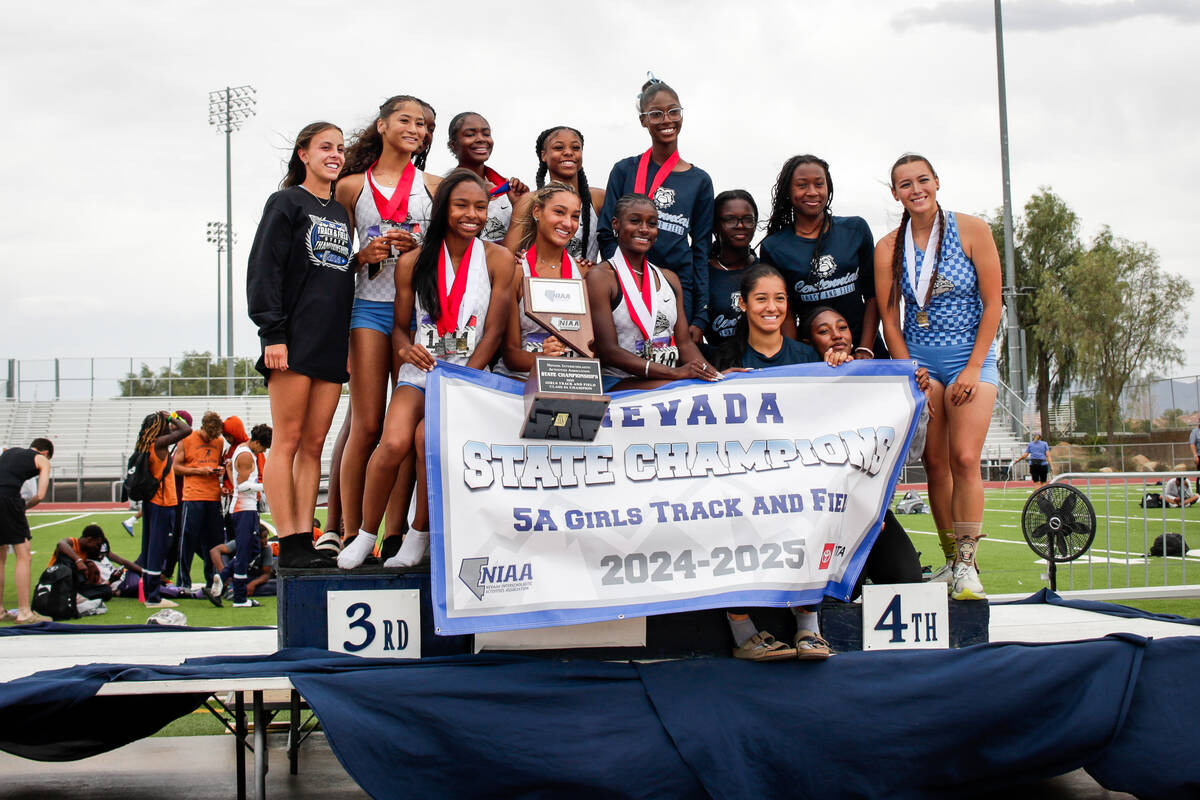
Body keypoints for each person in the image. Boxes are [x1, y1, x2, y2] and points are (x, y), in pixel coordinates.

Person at [338, 170, 514, 569]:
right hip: (420, 374)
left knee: (427, 442)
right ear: (442, 210)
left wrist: (466, 377)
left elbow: (495, 333)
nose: (472, 214)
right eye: (461, 205)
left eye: (481, 207)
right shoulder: (414, 261)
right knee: (394, 442)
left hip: (467, 377)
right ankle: (366, 534)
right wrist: (405, 349)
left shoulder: (498, 259)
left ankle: (418, 537)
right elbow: (400, 329)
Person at [874, 153, 1002, 601]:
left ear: (937, 183)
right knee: (933, 463)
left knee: (965, 458)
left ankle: (968, 565)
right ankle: (950, 561)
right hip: (922, 363)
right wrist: (912, 370)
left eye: (922, 180)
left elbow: (994, 305)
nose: (915, 190)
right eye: (905, 184)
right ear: (895, 194)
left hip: (971, 360)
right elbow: (891, 319)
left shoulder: (973, 229)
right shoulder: (888, 246)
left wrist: (971, 366)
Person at [335, 95, 442, 562]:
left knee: (408, 425)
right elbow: (330, 259)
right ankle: (347, 530)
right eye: (405, 120)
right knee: (368, 424)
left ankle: (394, 532)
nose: (415, 128)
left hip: (417, 316)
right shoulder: (350, 187)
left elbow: (446, 249)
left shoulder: (433, 187)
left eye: (421, 123)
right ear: (381, 125)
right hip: (368, 309)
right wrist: (363, 256)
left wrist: (416, 243)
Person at [247, 121, 354, 569]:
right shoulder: (287, 202)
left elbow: (336, 276)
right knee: (286, 441)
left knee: (313, 444)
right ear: (303, 154)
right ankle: (288, 539)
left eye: (340, 148)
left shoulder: (341, 214)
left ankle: (305, 536)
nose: (334, 154)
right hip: (292, 340)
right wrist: (272, 333)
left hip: (330, 343)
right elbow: (264, 268)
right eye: (325, 147)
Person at [598, 76, 714, 339]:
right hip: (628, 285)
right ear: (643, 120)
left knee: (675, 359)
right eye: (656, 114)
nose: (667, 120)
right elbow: (606, 232)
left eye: (674, 111)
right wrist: (626, 276)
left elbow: (701, 249)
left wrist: (701, 313)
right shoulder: (624, 170)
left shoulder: (700, 181)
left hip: (678, 289)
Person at [587, 194, 723, 391]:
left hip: (668, 381)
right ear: (615, 224)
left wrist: (714, 377)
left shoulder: (669, 278)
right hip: (620, 383)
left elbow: (684, 344)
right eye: (635, 221)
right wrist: (675, 373)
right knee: (686, 390)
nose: (644, 229)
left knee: (709, 390)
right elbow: (608, 351)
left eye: (651, 223)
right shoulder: (601, 277)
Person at [759, 155, 882, 359]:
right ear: (789, 191)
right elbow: (785, 312)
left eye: (819, 184)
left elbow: (873, 294)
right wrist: (796, 357)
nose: (812, 192)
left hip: (864, 348)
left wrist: (865, 348)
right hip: (813, 354)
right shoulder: (774, 247)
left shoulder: (855, 229)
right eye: (802, 185)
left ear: (828, 188)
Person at [497, 182, 585, 380]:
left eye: (575, 217)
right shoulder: (516, 272)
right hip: (520, 381)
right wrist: (543, 358)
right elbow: (510, 355)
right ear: (537, 211)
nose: (568, 223)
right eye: (559, 212)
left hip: (569, 383)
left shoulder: (584, 273)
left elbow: (592, 348)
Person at [504, 125, 605, 264]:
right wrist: (519, 260)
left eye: (576, 148)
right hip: (540, 281)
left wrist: (599, 270)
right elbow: (506, 257)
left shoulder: (598, 199)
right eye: (558, 148)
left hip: (586, 283)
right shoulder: (529, 200)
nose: (568, 152)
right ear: (543, 155)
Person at [702, 190, 774, 351]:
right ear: (715, 226)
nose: (740, 226)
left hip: (766, 367)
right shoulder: (702, 274)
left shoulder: (766, 271)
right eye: (730, 220)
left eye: (748, 219)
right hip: (722, 368)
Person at [133, 411, 192, 607]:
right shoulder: (159, 444)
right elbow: (187, 430)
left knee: (149, 548)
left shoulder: (145, 443)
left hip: (150, 503)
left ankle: (150, 592)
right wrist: (170, 416)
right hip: (162, 502)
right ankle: (153, 596)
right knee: (158, 549)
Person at [444, 111, 529, 242]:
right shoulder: (444, 190)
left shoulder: (508, 189)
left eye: (486, 134)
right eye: (470, 134)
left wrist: (520, 206)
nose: (481, 139)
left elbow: (524, 238)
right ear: (453, 145)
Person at [0, 438, 54, 624]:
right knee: (24, 553)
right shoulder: (42, 459)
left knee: (1, 555)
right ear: (45, 452)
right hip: (8, 499)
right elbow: (39, 495)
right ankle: (24, 612)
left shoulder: (9, 452)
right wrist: (24, 507)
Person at [173, 411, 225, 589]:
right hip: (193, 496)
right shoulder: (187, 439)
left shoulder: (219, 441)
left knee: (213, 541)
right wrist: (198, 471)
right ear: (202, 427)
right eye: (208, 435)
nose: (210, 439)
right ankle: (183, 582)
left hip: (213, 496)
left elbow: (221, 463)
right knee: (188, 539)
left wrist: (220, 471)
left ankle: (212, 580)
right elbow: (176, 468)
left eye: (213, 436)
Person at [222, 424, 272, 607]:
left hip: (248, 508)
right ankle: (239, 598)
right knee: (244, 552)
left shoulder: (248, 452)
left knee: (252, 549)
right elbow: (242, 486)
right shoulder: (245, 455)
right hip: (243, 509)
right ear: (257, 442)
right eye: (263, 447)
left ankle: (221, 578)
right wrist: (265, 486)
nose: (264, 451)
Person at [209, 525, 277, 607]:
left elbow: (266, 574)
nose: (264, 541)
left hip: (250, 579)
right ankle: (229, 586)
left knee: (277, 585)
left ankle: (232, 590)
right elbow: (214, 551)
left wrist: (253, 584)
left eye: (265, 537)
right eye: (261, 538)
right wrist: (223, 574)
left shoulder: (266, 549)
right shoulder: (240, 543)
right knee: (222, 556)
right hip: (233, 576)